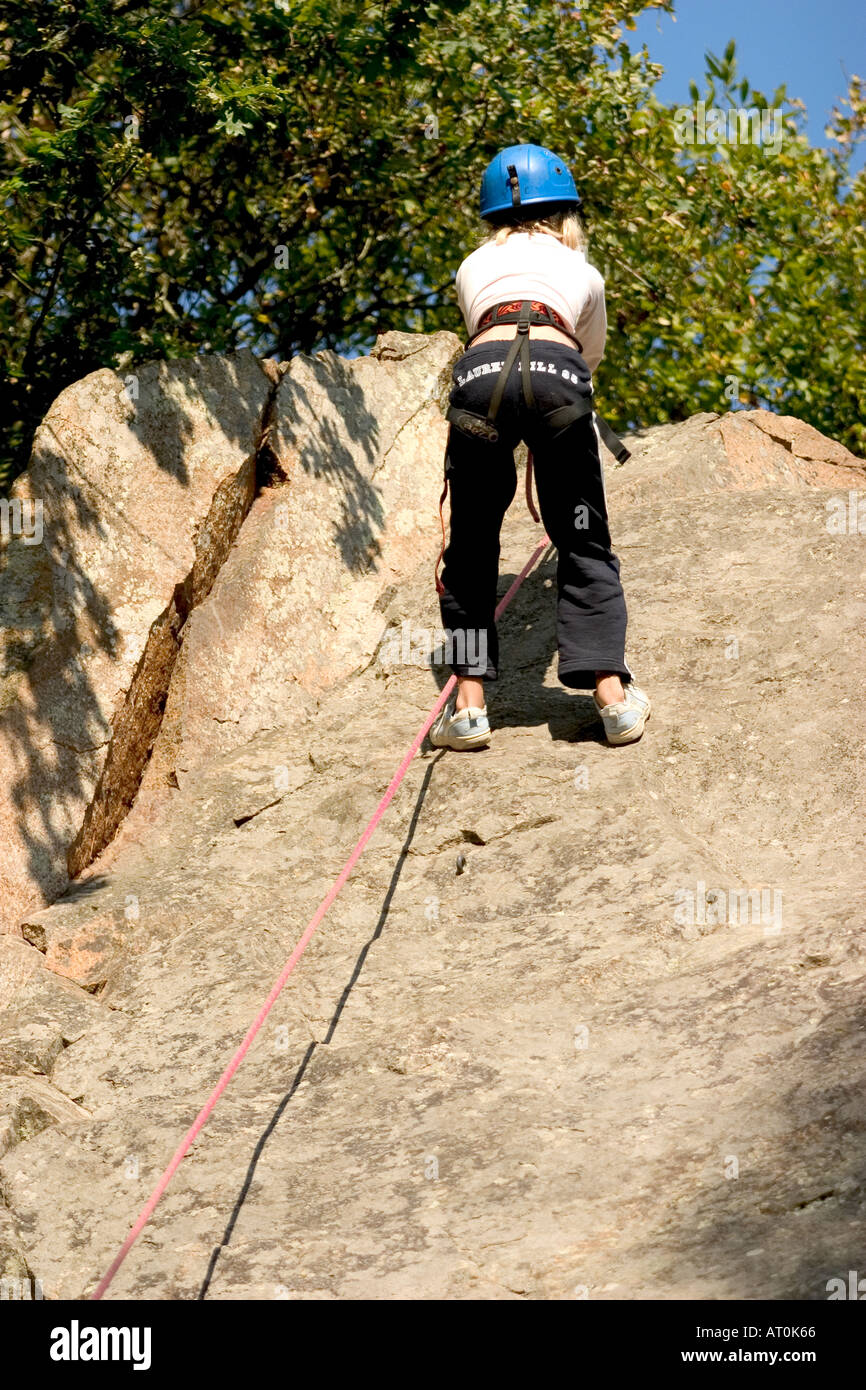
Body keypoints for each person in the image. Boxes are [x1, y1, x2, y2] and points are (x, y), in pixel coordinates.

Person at [429, 142, 651, 752]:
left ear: (491, 213)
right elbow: (590, 355)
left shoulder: (472, 266)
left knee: (471, 543)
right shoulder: (584, 273)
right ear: (565, 215)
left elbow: (481, 329)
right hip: (559, 376)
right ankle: (612, 699)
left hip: (481, 376)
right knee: (583, 537)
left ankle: (470, 708)